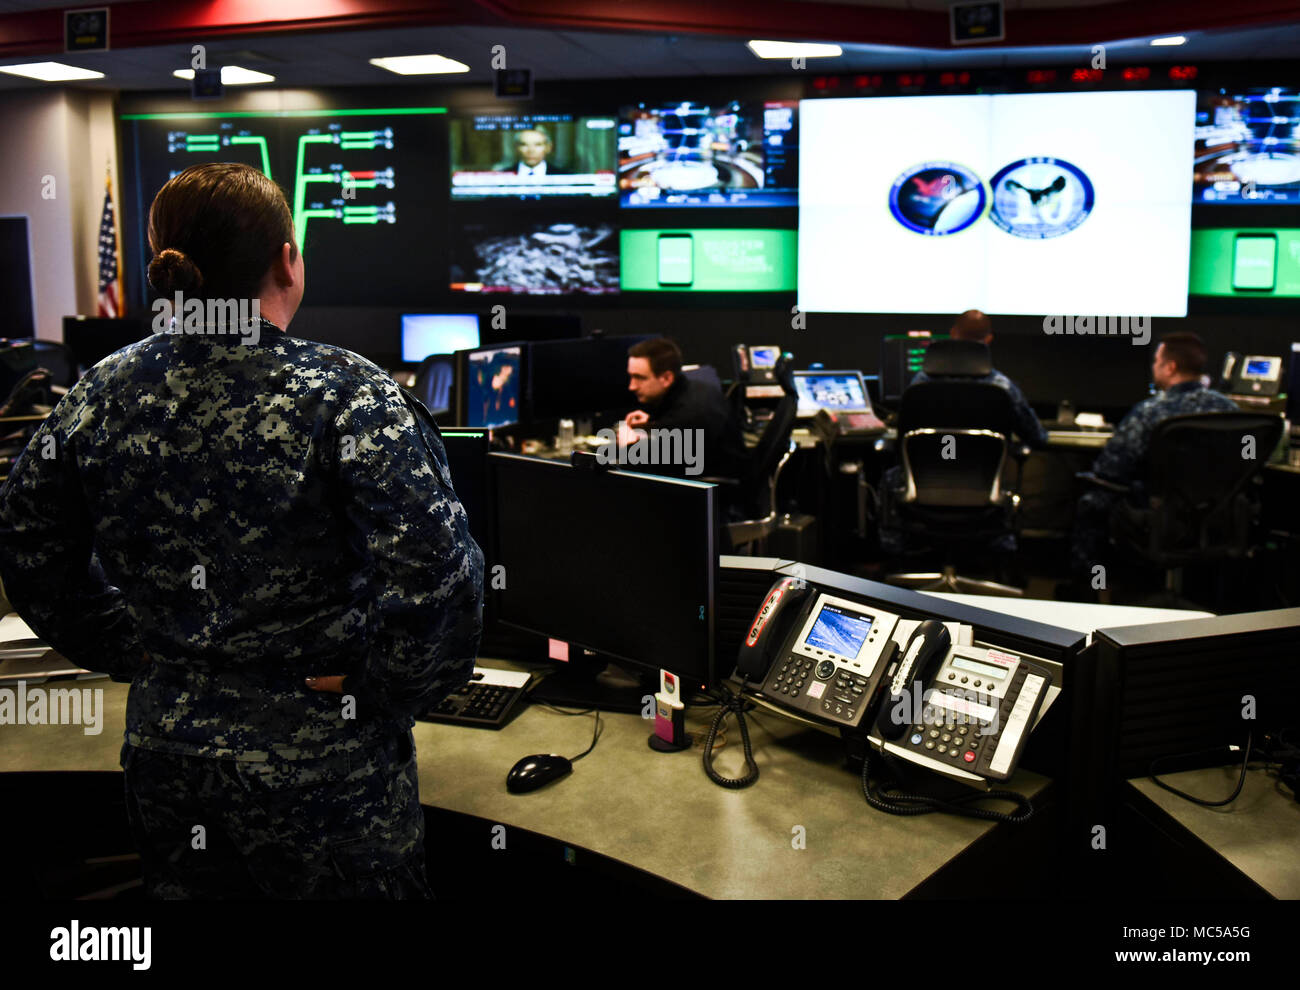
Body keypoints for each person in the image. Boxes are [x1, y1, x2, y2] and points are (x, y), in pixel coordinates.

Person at [0, 162, 484, 899]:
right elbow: (436, 574)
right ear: (287, 260)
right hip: (324, 762)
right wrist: (387, 689)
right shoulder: (349, 394)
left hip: (170, 754)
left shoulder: (98, 392)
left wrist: (127, 645)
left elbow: (26, 544)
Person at [878, 309, 1047, 556]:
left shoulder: (920, 385)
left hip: (922, 491)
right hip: (983, 494)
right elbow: (1038, 438)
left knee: (889, 478)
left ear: (953, 335)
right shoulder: (1003, 388)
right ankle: (997, 563)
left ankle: (893, 563)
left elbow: (901, 440)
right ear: (989, 339)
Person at [1069, 331, 1238, 577]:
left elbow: (1110, 470)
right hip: (1216, 519)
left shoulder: (1150, 412)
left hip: (1156, 518)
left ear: (1170, 367)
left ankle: (1090, 587)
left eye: (1156, 362)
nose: (1154, 367)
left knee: (1093, 502)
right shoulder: (1229, 409)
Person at [623, 337, 746, 480]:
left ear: (667, 378)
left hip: (712, 495)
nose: (632, 386)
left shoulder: (688, 417)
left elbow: (638, 474)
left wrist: (629, 445)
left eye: (639, 378)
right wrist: (652, 424)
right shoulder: (696, 388)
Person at [497, 128, 568, 176]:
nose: (531, 150)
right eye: (524, 144)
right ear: (516, 148)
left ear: (548, 147)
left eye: (538, 145)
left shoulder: (564, 176)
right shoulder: (502, 176)